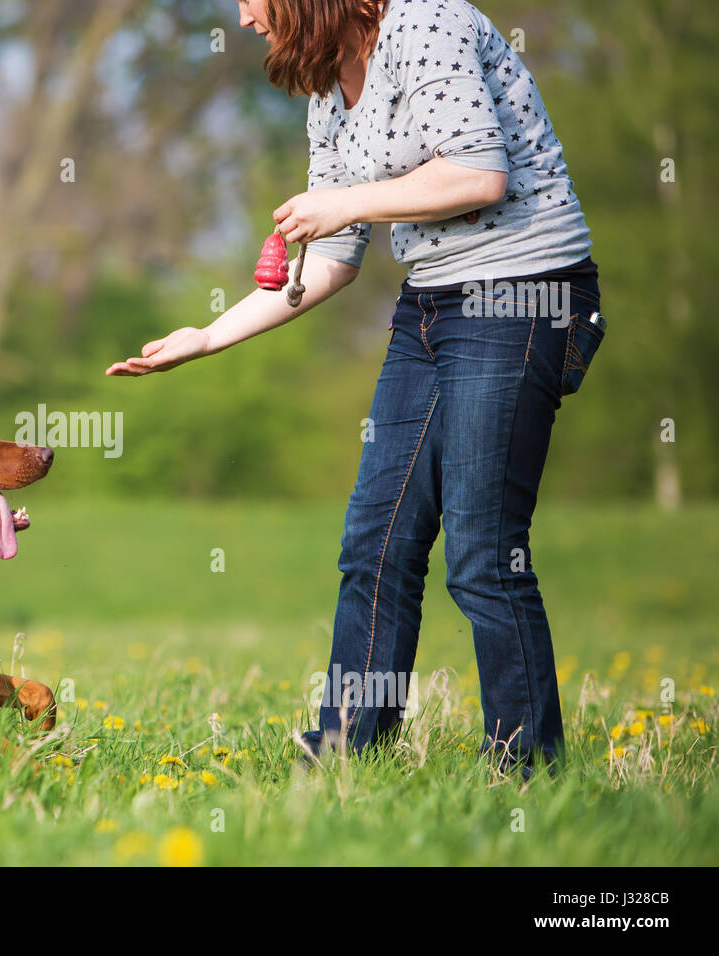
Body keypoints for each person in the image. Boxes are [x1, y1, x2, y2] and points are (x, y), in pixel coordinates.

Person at [106, 0, 605, 774]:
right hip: (432, 302)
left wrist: (344, 200)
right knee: (376, 538)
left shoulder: (427, 20)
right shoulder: (324, 83)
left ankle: (526, 769)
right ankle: (343, 751)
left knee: (480, 552)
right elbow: (333, 256)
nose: (242, 18)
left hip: (525, 293)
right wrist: (206, 338)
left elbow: (479, 173)